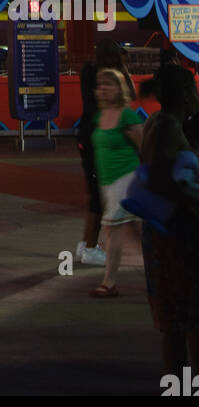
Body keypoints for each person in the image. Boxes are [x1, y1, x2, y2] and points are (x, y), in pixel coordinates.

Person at [139, 66, 199, 373]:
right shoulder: (171, 130)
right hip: (177, 237)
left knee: (172, 323)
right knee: (190, 320)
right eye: (193, 90)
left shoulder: (153, 123)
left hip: (158, 233)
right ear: (184, 95)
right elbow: (176, 184)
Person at [76, 39, 135, 267]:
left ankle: (86, 245)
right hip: (97, 140)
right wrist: (123, 69)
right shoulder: (106, 78)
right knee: (99, 198)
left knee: (97, 195)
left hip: (88, 138)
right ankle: (90, 247)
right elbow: (129, 94)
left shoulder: (89, 72)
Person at [89, 68, 144, 298]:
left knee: (113, 229)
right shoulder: (99, 116)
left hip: (127, 179)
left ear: (119, 88)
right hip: (107, 181)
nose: (102, 88)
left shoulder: (127, 115)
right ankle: (168, 270)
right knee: (140, 230)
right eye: (100, 84)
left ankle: (109, 283)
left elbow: (144, 146)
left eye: (108, 84)